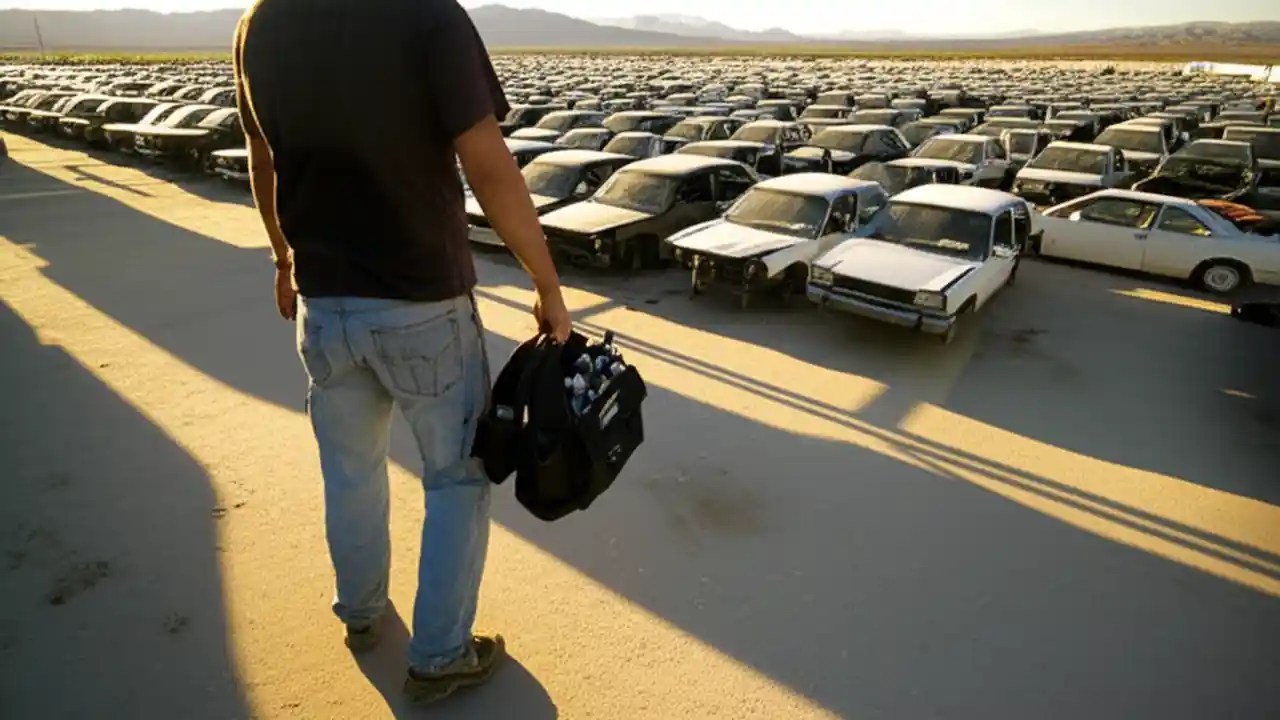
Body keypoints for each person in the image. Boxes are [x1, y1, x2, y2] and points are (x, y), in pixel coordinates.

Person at [233, 0, 572, 703]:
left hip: (325, 308)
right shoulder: (426, 16)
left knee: (350, 472)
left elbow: (262, 156)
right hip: (422, 305)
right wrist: (547, 284)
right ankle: (440, 654)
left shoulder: (259, 24)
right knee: (456, 478)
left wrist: (282, 260)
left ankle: (360, 614)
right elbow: (487, 161)